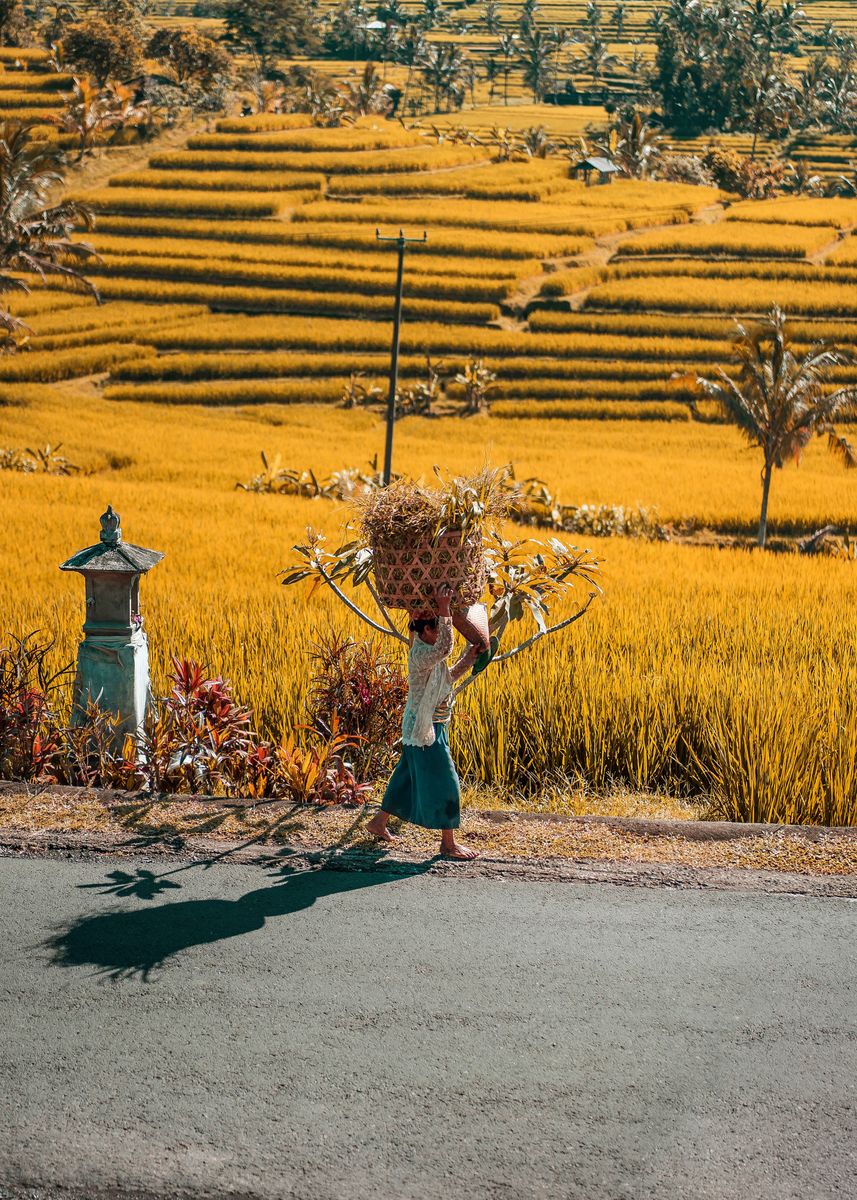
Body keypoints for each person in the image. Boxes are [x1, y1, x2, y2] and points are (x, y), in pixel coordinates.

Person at [366, 585, 485, 860]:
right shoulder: (422, 653)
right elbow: (446, 647)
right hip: (425, 730)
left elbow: (447, 677)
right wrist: (444, 608)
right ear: (427, 631)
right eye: (439, 628)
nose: (441, 634)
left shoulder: (427, 652)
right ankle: (448, 843)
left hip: (424, 727)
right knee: (447, 782)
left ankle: (378, 823)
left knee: (405, 778)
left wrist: (470, 658)